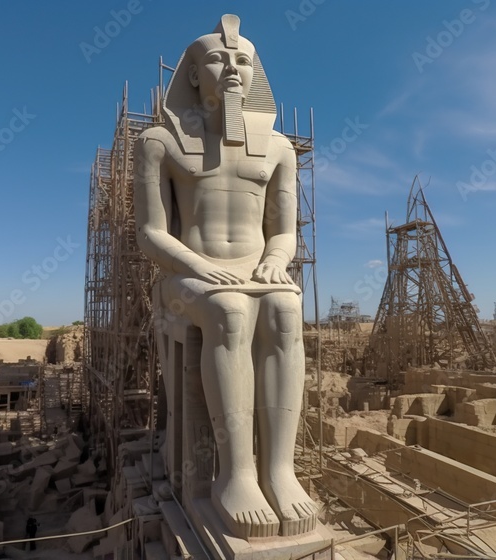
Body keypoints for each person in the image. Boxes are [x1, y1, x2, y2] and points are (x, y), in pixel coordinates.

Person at [134, 14, 316, 538]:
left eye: (243, 59)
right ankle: (235, 475)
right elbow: (151, 234)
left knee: (285, 309)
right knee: (230, 311)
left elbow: (284, 232)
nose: (232, 67)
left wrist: (276, 261)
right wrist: (201, 266)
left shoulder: (279, 148)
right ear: (193, 74)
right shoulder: (159, 142)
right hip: (186, 273)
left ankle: (280, 470)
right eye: (219, 57)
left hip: (257, 269)